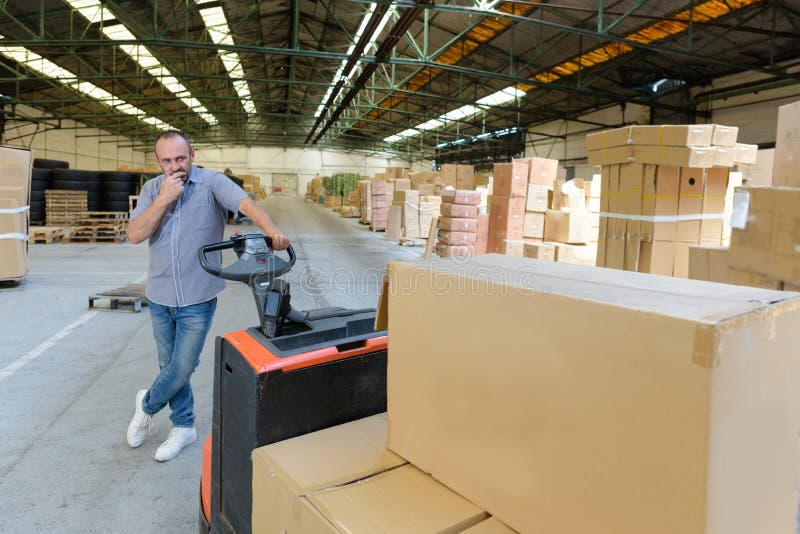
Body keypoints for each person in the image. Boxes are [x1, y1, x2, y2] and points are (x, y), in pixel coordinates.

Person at [126, 130, 289, 462]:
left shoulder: (213, 183)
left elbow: (247, 204)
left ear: (193, 155)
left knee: (183, 365)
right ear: (158, 162)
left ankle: (147, 405)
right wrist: (163, 200)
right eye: (168, 160)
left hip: (198, 295)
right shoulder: (151, 190)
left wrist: (272, 230)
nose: (176, 166)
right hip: (159, 294)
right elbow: (135, 234)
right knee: (168, 364)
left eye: (181, 158)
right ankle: (184, 426)